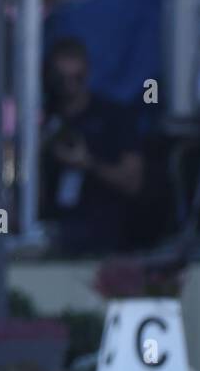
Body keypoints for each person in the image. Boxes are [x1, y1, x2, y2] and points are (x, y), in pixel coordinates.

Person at [39, 37, 145, 255]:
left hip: (104, 236)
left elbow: (133, 182)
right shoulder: (44, 119)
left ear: (87, 74)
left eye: (76, 78)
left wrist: (87, 163)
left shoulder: (114, 117)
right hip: (52, 231)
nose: (69, 85)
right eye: (61, 79)